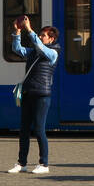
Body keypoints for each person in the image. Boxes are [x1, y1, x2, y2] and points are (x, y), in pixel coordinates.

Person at [8, 16, 58, 174]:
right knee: (24, 130)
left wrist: (29, 30)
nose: (41, 37)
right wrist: (17, 32)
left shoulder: (53, 52)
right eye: (41, 34)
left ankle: (44, 164)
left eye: (44, 35)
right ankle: (21, 163)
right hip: (28, 93)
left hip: (42, 95)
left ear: (51, 39)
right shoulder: (34, 52)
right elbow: (18, 50)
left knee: (39, 129)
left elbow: (40, 46)